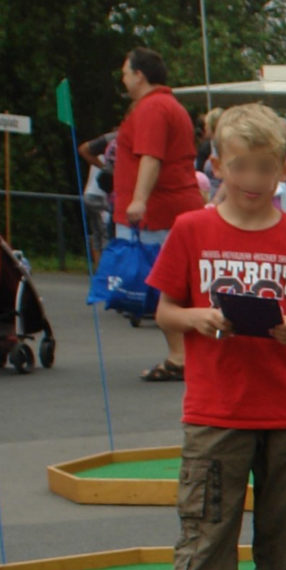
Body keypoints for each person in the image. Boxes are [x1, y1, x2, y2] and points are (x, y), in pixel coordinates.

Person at [119, 103, 286, 570]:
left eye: (265, 168)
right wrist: (197, 316)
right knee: (205, 519)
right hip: (216, 407)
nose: (251, 181)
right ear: (216, 164)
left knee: (285, 520)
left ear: (282, 170)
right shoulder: (192, 229)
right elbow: (163, 308)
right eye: (239, 166)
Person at [111, 47, 206, 382]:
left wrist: (138, 201)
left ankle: (180, 356)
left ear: (140, 75)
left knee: (167, 286)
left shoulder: (153, 108)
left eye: (126, 72)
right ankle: (186, 353)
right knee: (178, 284)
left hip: (160, 213)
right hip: (171, 207)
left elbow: (151, 156)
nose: (123, 78)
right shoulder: (167, 106)